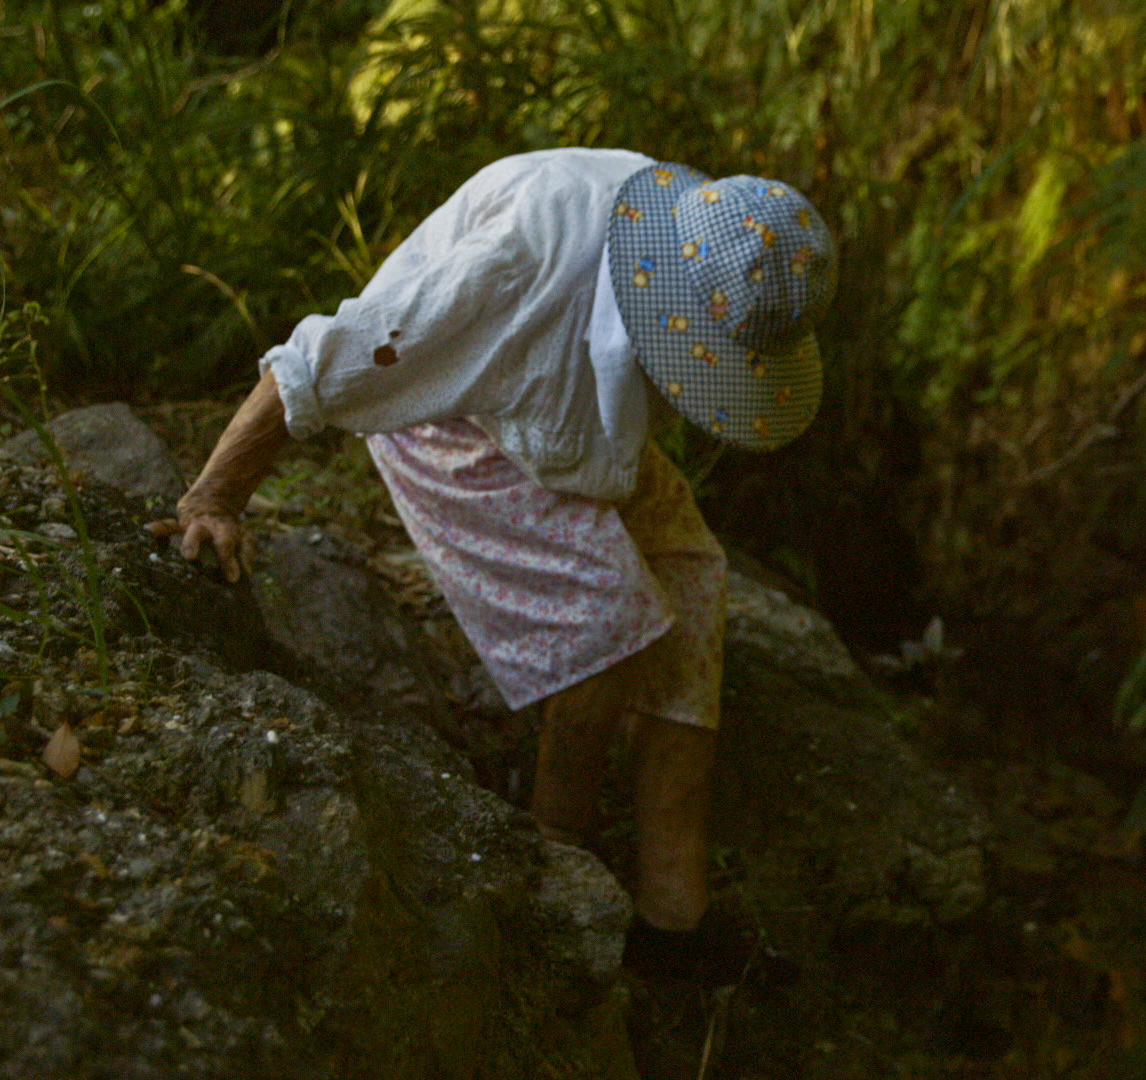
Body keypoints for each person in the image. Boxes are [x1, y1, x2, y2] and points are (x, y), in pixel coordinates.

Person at [149, 148, 836, 986]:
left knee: (692, 576)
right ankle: (559, 874)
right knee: (608, 623)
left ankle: (673, 910)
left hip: (569, 421)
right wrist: (215, 496)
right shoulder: (517, 263)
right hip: (453, 419)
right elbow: (334, 357)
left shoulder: (713, 233)